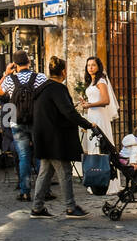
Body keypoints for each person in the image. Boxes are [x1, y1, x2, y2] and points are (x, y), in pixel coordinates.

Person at [29, 56, 94, 219]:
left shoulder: (43, 87)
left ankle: (37, 208)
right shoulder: (58, 88)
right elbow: (68, 112)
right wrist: (87, 124)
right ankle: (70, 208)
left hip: (43, 136)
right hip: (55, 138)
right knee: (64, 171)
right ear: (64, 72)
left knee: (45, 172)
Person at [0, 51, 47, 201]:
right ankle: (43, 191)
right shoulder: (40, 77)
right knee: (39, 155)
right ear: (29, 62)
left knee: (24, 156)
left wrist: (6, 73)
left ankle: (25, 191)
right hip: (36, 121)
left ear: (15, 64)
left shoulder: (10, 79)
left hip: (16, 122)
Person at [77, 56, 118, 153]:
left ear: (98, 67)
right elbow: (96, 99)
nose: (90, 68)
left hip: (99, 116)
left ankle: (103, 165)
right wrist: (86, 103)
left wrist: (89, 105)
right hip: (92, 115)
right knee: (93, 142)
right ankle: (95, 166)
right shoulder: (92, 82)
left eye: (93, 65)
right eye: (88, 65)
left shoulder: (101, 81)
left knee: (100, 143)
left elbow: (106, 101)